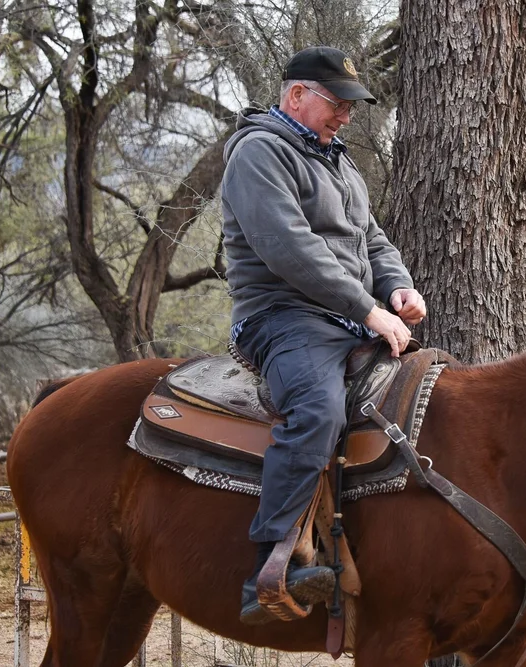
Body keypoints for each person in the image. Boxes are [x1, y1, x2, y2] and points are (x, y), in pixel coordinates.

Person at [221, 46, 427, 624]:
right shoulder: (259, 153)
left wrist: (397, 289)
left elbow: (373, 240)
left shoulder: (337, 160)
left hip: (349, 315)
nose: (346, 117)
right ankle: (273, 566)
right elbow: (292, 250)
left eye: (351, 107)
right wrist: (367, 310)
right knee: (317, 409)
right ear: (296, 96)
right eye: (336, 103)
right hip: (283, 316)